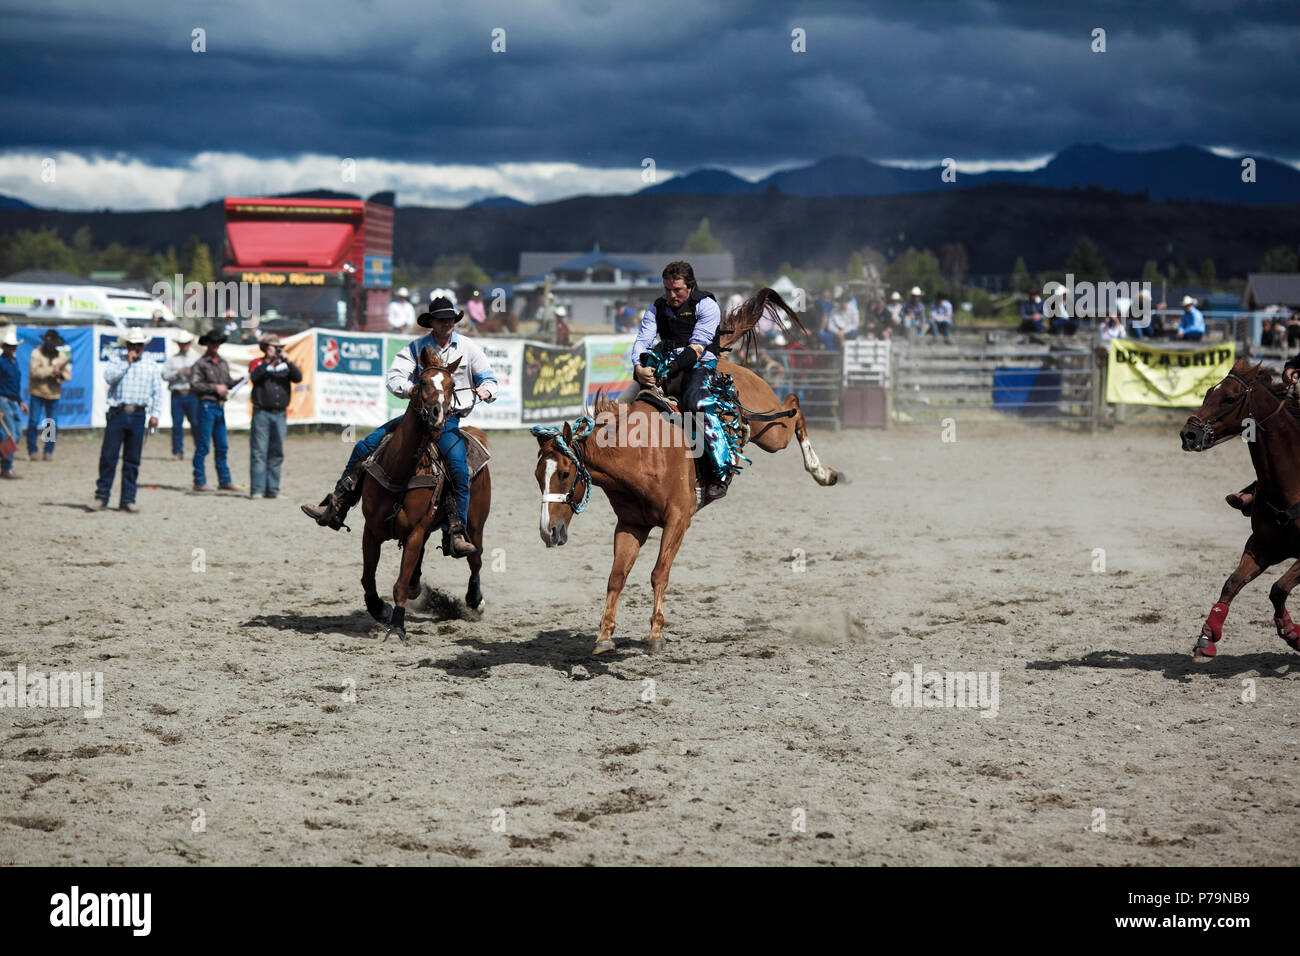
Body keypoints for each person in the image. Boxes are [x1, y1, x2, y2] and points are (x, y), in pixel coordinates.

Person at [300, 297, 497, 557]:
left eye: (451, 318)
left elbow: (490, 379)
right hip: (415, 419)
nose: (447, 323)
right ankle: (337, 506)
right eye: (441, 319)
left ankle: (456, 531)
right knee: (364, 446)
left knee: (459, 468)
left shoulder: (469, 348)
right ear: (432, 323)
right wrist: (415, 389)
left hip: (448, 421)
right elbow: (394, 378)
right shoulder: (416, 347)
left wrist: (486, 390)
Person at [630, 260, 737, 501]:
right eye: (667, 289)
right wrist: (638, 367)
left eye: (677, 289)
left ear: (690, 286)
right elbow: (642, 340)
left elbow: (697, 348)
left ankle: (722, 469)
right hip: (664, 364)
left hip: (699, 364)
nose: (671, 295)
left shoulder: (707, 305)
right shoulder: (657, 307)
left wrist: (670, 369)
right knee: (625, 404)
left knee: (697, 403)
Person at [93, 329, 162, 512]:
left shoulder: (151, 365)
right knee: (108, 457)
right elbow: (109, 378)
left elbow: (157, 392)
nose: (136, 348)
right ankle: (101, 497)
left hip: (139, 414)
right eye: (132, 345)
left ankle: (128, 499)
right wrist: (126, 363)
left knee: (132, 460)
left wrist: (155, 414)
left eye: (139, 345)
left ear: (143, 346)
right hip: (118, 413)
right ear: (127, 346)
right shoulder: (117, 361)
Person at [248, 333, 302, 499]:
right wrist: (267, 361)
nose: (277, 350)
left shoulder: (284, 365)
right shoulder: (257, 363)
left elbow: (298, 377)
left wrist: (288, 361)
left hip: (280, 414)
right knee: (259, 452)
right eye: (273, 347)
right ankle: (257, 490)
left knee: (277, 452)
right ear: (265, 348)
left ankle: (273, 490)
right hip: (262, 413)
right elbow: (254, 378)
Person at [189, 330, 239, 492]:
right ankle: (199, 481)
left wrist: (237, 382)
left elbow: (227, 382)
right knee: (203, 445)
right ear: (207, 344)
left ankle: (224, 480)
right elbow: (195, 385)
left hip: (218, 407)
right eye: (212, 343)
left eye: (217, 343)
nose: (215, 345)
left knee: (222, 446)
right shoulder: (200, 364)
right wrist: (215, 388)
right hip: (206, 406)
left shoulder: (223, 363)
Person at [27, 329, 72, 461]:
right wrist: (53, 370)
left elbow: (67, 375)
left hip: (53, 394)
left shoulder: (61, 356)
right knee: (33, 422)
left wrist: (59, 374)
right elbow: (35, 372)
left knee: (51, 424)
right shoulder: (36, 353)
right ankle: (32, 450)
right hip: (37, 392)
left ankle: (48, 450)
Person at [161, 329, 200, 460]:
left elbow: (201, 376)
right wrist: (178, 373)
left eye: (186, 343)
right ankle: (177, 451)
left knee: (195, 423)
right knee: (177, 424)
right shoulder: (173, 359)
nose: (183, 346)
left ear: (189, 343)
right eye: (181, 343)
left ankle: (199, 448)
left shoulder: (196, 358)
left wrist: (191, 375)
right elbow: (164, 375)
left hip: (192, 394)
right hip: (177, 393)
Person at [0, 325, 27, 480]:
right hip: (2, 400)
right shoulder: (2, 363)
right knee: (9, 434)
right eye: (10, 346)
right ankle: (7, 467)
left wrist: (21, 401)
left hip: (12, 401)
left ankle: (5, 461)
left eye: (14, 346)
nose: (13, 349)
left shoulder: (14, 362)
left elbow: (15, 385)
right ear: (4, 347)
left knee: (16, 433)